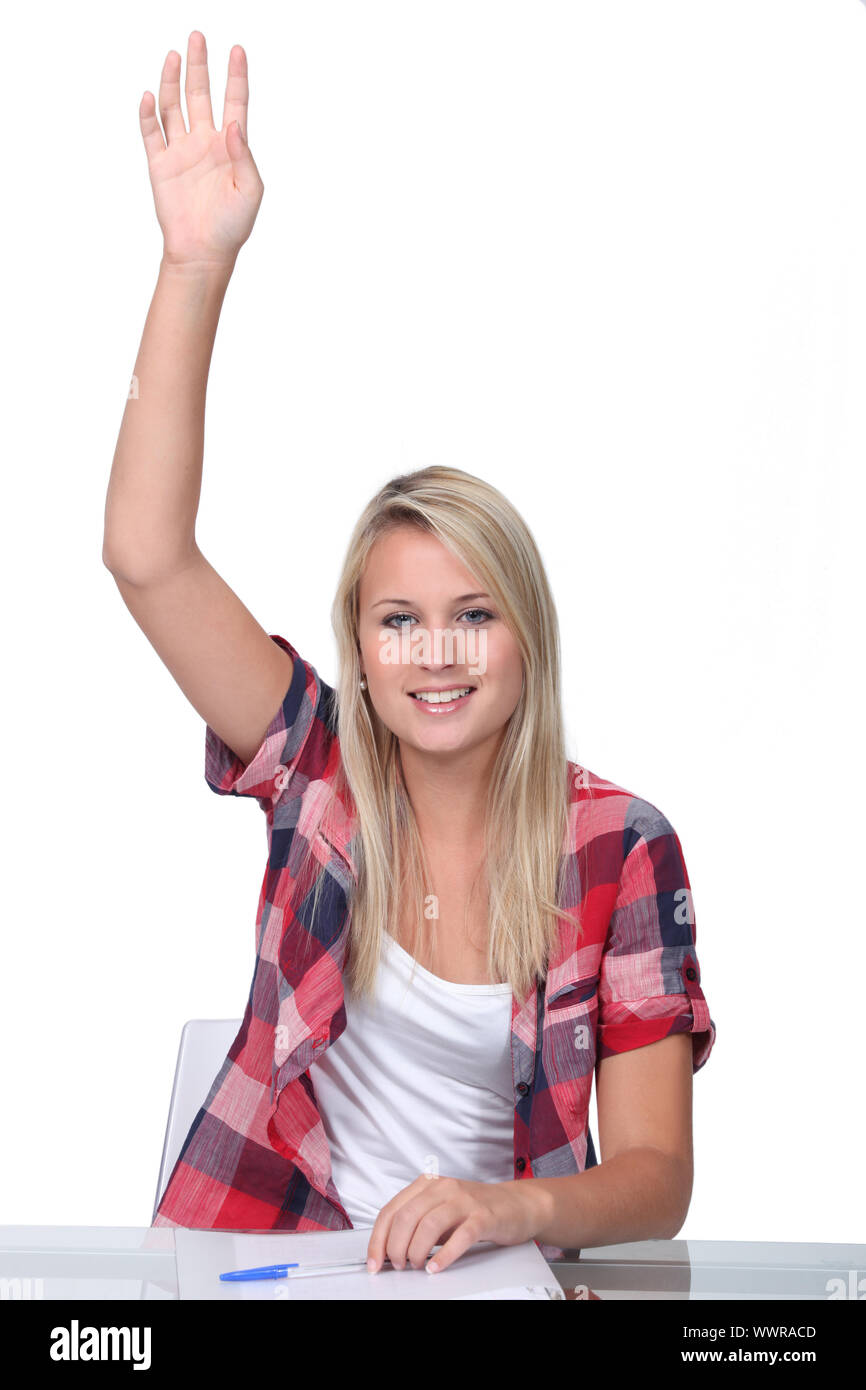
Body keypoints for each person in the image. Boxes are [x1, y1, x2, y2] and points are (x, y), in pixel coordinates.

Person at [104, 31, 716, 1276]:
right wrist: (191, 268)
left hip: (476, 1276)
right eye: (397, 620)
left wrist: (510, 1209)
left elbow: (655, 1181)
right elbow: (144, 555)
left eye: (474, 613)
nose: (436, 651)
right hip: (261, 1259)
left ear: (525, 636)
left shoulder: (619, 845)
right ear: (362, 649)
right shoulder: (313, 764)